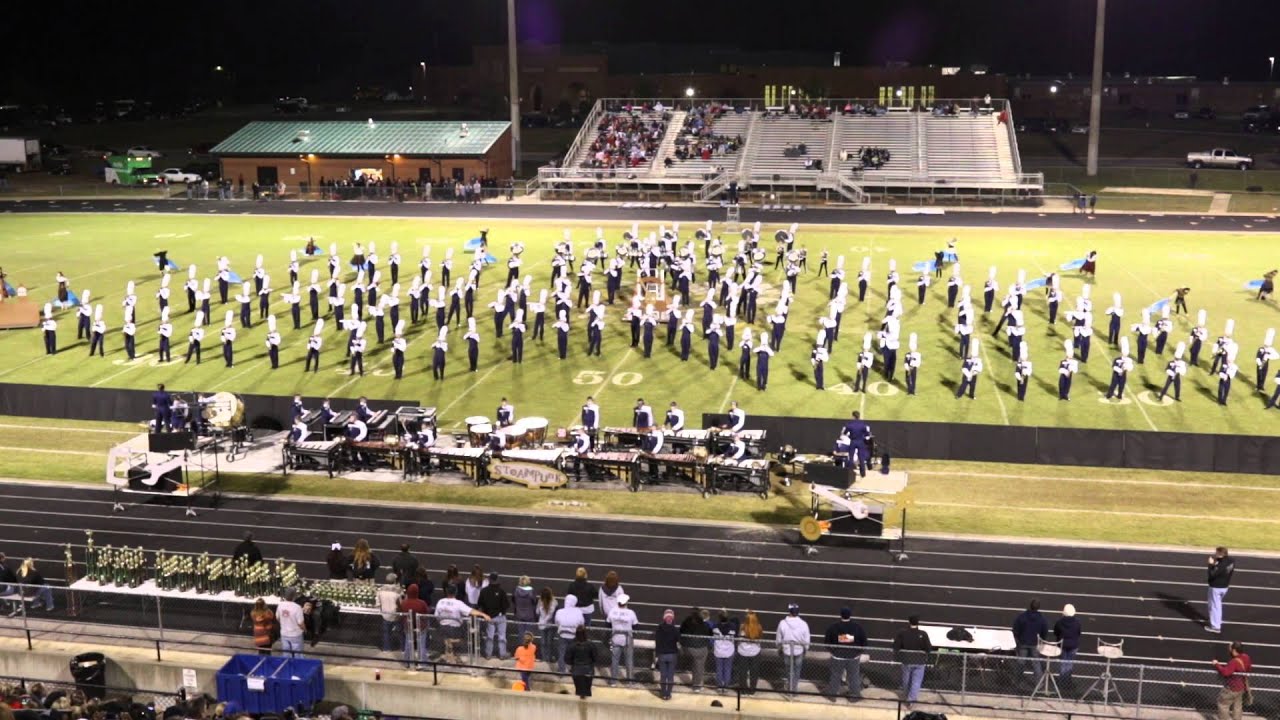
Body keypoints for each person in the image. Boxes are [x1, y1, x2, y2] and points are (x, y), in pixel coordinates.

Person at [435, 585, 489, 664]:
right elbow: (471, 611)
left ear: (446, 592)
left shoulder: (440, 601)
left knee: (449, 642)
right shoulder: (458, 603)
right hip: (454, 630)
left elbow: (436, 616)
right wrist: (484, 614)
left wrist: (442, 622)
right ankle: (451, 652)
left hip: (442, 628)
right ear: (456, 592)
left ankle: (450, 653)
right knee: (463, 637)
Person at [825, 606, 868, 700]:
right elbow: (864, 642)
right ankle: (854, 697)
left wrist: (833, 651)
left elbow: (827, 641)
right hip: (853, 657)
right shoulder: (857, 627)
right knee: (853, 678)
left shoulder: (833, 627)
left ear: (841, 615)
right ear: (850, 615)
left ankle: (832, 696)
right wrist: (858, 652)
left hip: (838, 656)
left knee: (835, 676)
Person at [893, 615, 932, 707]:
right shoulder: (923, 634)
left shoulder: (902, 633)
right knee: (916, 681)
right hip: (919, 661)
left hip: (906, 660)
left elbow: (896, 647)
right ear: (918, 622)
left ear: (909, 622)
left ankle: (907, 695)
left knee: (906, 680)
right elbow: (928, 648)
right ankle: (911, 699)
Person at [776, 602, 811, 694]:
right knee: (797, 670)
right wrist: (806, 649)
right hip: (799, 651)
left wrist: (779, 648)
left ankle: (790, 688)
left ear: (789, 612)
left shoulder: (782, 623)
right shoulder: (804, 624)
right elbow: (807, 639)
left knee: (789, 671)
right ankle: (794, 689)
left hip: (787, 651)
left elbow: (779, 639)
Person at [1013, 599, 1049, 686]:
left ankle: (1017, 681)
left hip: (1023, 642)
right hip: (1035, 643)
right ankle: (1039, 683)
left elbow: (1016, 628)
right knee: (1036, 663)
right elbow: (1044, 631)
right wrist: (1041, 640)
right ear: (1038, 607)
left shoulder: (1022, 616)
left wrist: (1018, 638)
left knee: (1021, 662)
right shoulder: (1041, 619)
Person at [1213, 641, 1252, 720]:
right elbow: (1249, 668)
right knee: (1237, 707)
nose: (1228, 650)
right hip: (1241, 687)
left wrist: (1216, 664)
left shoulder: (1233, 662)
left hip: (1231, 688)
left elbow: (1225, 672)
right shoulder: (1246, 657)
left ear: (1234, 650)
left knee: (1222, 705)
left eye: (1230, 649)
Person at [477, 571, 511, 659]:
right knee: (502, 636)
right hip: (500, 617)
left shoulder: (484, 591)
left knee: (489, 637)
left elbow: (480, 604)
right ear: (497, 579)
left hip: (489, 617)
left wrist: (485, 613)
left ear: (489, 579)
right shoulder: (501, 591)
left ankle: (488, 654)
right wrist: (501, 611)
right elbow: (506, 605)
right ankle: (502, 654)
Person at [679, 607, 713, 692]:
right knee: (699, 666)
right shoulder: (703, 623)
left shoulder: (686, 621)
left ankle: (696, 683)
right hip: (700, 648)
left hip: (688, 648)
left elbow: (681, 631)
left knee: (696, 665)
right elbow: (710, 633)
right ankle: (697, 685)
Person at [607, 593, 637, 685]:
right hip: (627, 638)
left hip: (615, 638)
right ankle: (630, 681)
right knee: (629, 660)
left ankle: (613, 681)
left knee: (614, 660)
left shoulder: (612, 612)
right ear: (626, 603)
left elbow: (608, 624)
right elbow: (635, 625)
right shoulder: (631, 613)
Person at [400, 583, 430, 669]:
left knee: (408, 643)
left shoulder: (404, 603)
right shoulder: (421, 603)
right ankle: (422, 663)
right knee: (421, 644)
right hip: (421, 626)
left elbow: (401, 610)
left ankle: (407, 662)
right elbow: (426, 612)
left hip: (408, 626)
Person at [1206, 546, 1235, 634]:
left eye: (1216, 553)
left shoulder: (1221, 565)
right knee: (1218, 606)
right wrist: (1216, 563)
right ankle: (1217, 621)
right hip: (1225, 587)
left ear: (1220, 554)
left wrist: (1210, 565)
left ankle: (1215, 627)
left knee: (1214, 606)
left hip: (1216, 587)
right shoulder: (1231, 561)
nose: (1215, 554)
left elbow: (1212, 574)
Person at [553, 595, 585, 673]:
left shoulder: (559, 611)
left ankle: (561, 670)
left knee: (562, 653)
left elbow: (556, 622)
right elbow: (582, 623)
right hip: (574, 636)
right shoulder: (578, 612)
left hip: (562, 635)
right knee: (574, 653)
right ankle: (573, 669)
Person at [1053, 604, 1082, 688]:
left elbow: (1056, 632)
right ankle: (1067, 682)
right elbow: (1079, 633)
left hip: (1062, 645)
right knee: (1069, 664)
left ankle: (1062, 682)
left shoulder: (1059, 622)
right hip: (1073, 646)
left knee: (1063, 663)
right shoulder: (1077, 622)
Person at [566, 626, 599, 699]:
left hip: (576, 670)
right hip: (588, 670)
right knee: (587, 691)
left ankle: (581, 708)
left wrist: (573, 664)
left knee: (579, 691)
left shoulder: (572, 645)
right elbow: (595, 657)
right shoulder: (591, 645)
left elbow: (567, 659)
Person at [654, 609, 680, 701]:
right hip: (672, 654)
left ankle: (663, 693)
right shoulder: (675, 629)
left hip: (662, 654)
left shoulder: (659, 628)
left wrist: (657, 655)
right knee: (670, 675)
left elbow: (657, 642)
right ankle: (668, 694)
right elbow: (678, 640)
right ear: (672, 619)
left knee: (663, 675)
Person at [711, 609, 738, 693]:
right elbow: (735, 635)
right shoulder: (733, 626)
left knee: (719, 669)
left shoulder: (715, 626)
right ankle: (725, 687)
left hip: (718, 650)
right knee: (727, 669)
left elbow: (713, 636)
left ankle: (719, 687)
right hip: (729, 651)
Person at [376, 573, 403, 653]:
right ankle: (403, 648)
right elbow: (400, 604)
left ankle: (386, 648)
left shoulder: (380, 590)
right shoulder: (398, 591)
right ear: (394, 581)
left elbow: (378, 604)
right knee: (400, 632)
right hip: (395, 615)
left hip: (385, 614)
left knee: (386, 633)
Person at [276, 587, 306, 658]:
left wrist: (284, 624)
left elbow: (277, 617)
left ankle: (287, 667)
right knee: (297, 655)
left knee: (286, 654)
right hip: (295, 635)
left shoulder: (280, 605)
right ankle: (298, 668)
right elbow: (300, 623)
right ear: (294, 596)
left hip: (284, 633)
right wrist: (304, 629)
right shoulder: (297, 607)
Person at [513, 575, 539, 648]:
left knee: (521, 634)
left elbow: (514, 600)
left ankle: (521, 649)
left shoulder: (516, 590)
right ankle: (528, 649)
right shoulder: (531, 591)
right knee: (529, 634)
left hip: (519, 614)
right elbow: (534, 601)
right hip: (529, 615)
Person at [537, 588, 558, 663]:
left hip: (542, 624)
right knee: (549, 642)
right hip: (550, 625)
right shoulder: (554, 602)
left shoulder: (540, 601)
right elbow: (552, 615)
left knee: (543, 642)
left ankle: (544, 658)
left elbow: (537, 612)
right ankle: (548, 658)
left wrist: (543, 621)